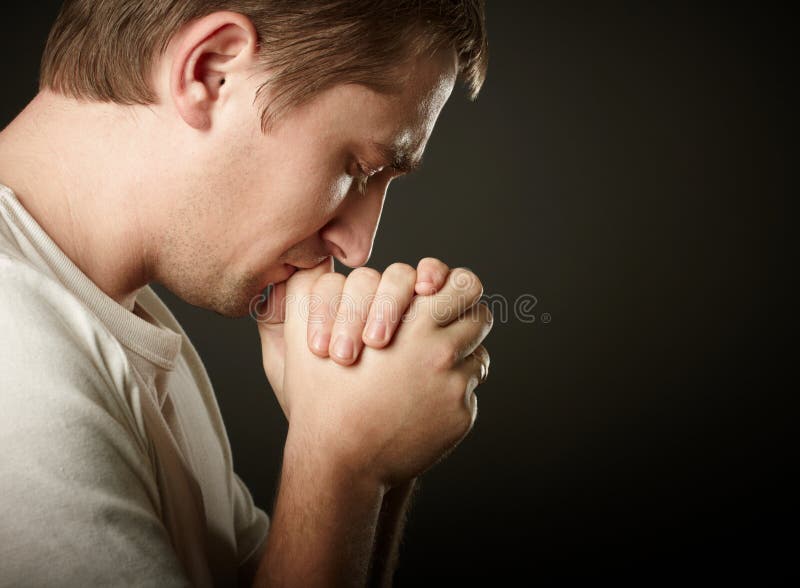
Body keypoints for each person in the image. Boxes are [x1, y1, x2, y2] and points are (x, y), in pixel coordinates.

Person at [0, 1, 492, 586]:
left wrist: (370, 436)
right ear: (211, 71)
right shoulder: (18, 354)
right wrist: (342, 462)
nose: (357, 246)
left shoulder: (108, 320)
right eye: (358, 167)